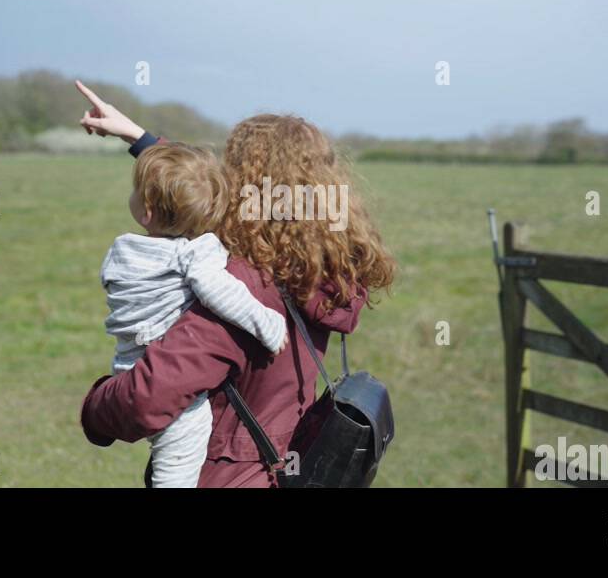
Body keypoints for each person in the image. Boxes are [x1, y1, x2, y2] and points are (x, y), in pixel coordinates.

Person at [75, 80, 396, 487]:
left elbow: (146, 399)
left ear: (241, 186)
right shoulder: (323, 269)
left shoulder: (239, 288)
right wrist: (142, 140)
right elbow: (201, 194)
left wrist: (96, 405)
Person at [100, 141, 288, 487]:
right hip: (176, 389)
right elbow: (224, 293)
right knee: (176, 474)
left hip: (128, 368)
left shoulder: (124, 250)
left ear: (147, 213)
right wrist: (268, 324)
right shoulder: (196, 254)